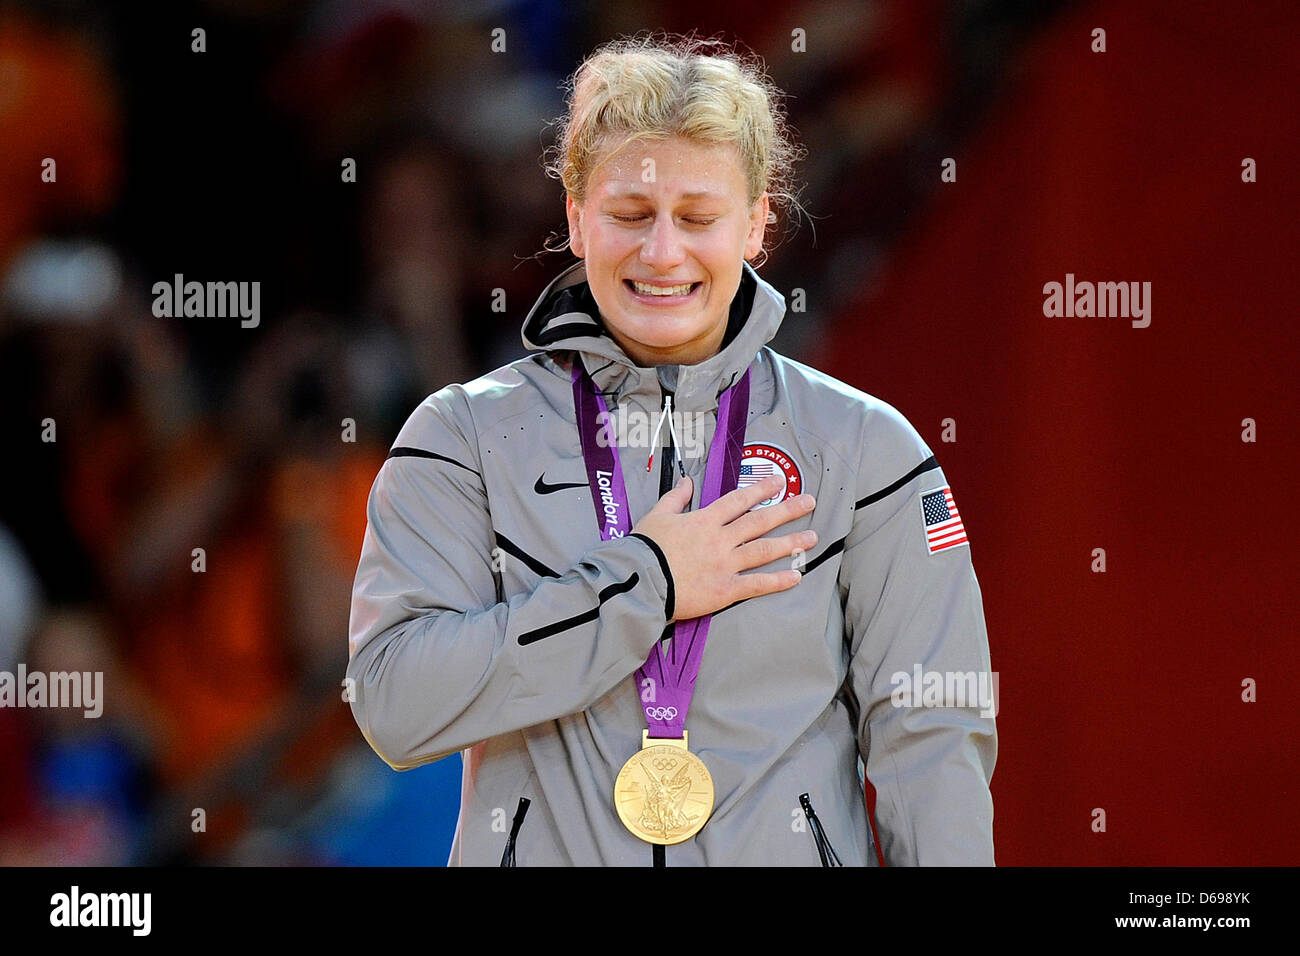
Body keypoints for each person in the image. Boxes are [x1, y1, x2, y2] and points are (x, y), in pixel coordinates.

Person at [346, 34, 996, 866]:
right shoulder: (460, 439)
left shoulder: (867, 451)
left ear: (759, 221)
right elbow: (395, 705)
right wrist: (643, 582)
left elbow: (933, 736)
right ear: (577, 218)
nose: (661, 253)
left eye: (698, 218)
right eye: (629, 215)